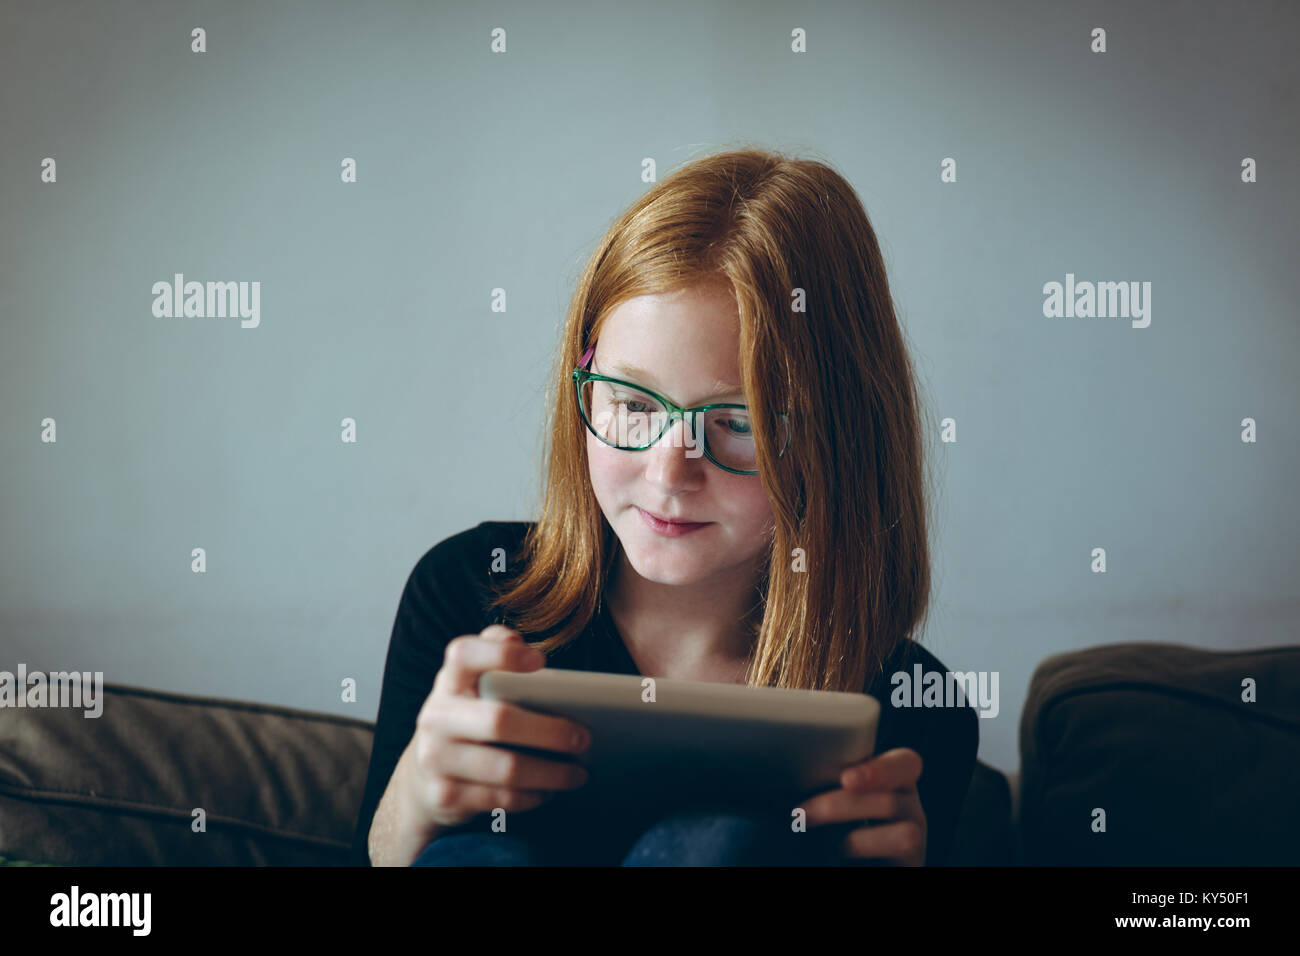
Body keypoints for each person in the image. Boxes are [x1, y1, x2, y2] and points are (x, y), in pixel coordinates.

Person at [351, 147, 979, 867]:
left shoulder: (910, 704)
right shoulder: (468, 588)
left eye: (737, 423)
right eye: (629, 403)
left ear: (838, 439)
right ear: (583, 384)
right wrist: (412, 801)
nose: (668, 472)